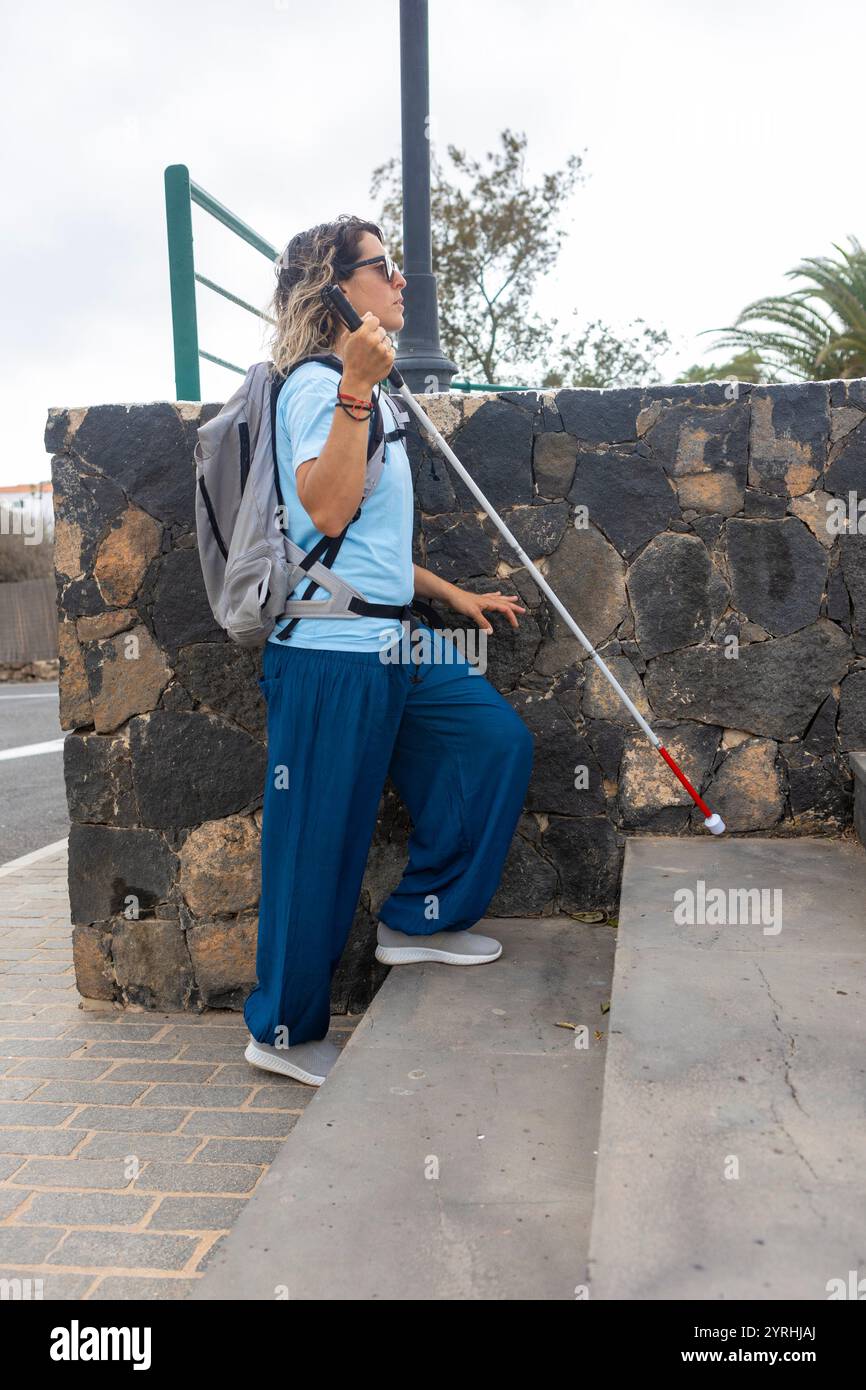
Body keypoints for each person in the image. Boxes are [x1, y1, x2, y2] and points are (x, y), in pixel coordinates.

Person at [242, 214, 534, 1086]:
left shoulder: (366, 392)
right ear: (333, 290)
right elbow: (321, 514)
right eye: (382, 269)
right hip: (329, 655)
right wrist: (354, 394)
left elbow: (365, 544)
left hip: (392, 640)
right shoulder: (314, 391)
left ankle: (419, 919)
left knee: (492, 743)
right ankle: (282, 1033)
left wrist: (450, 593)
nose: (402, 282)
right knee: (316, 841)